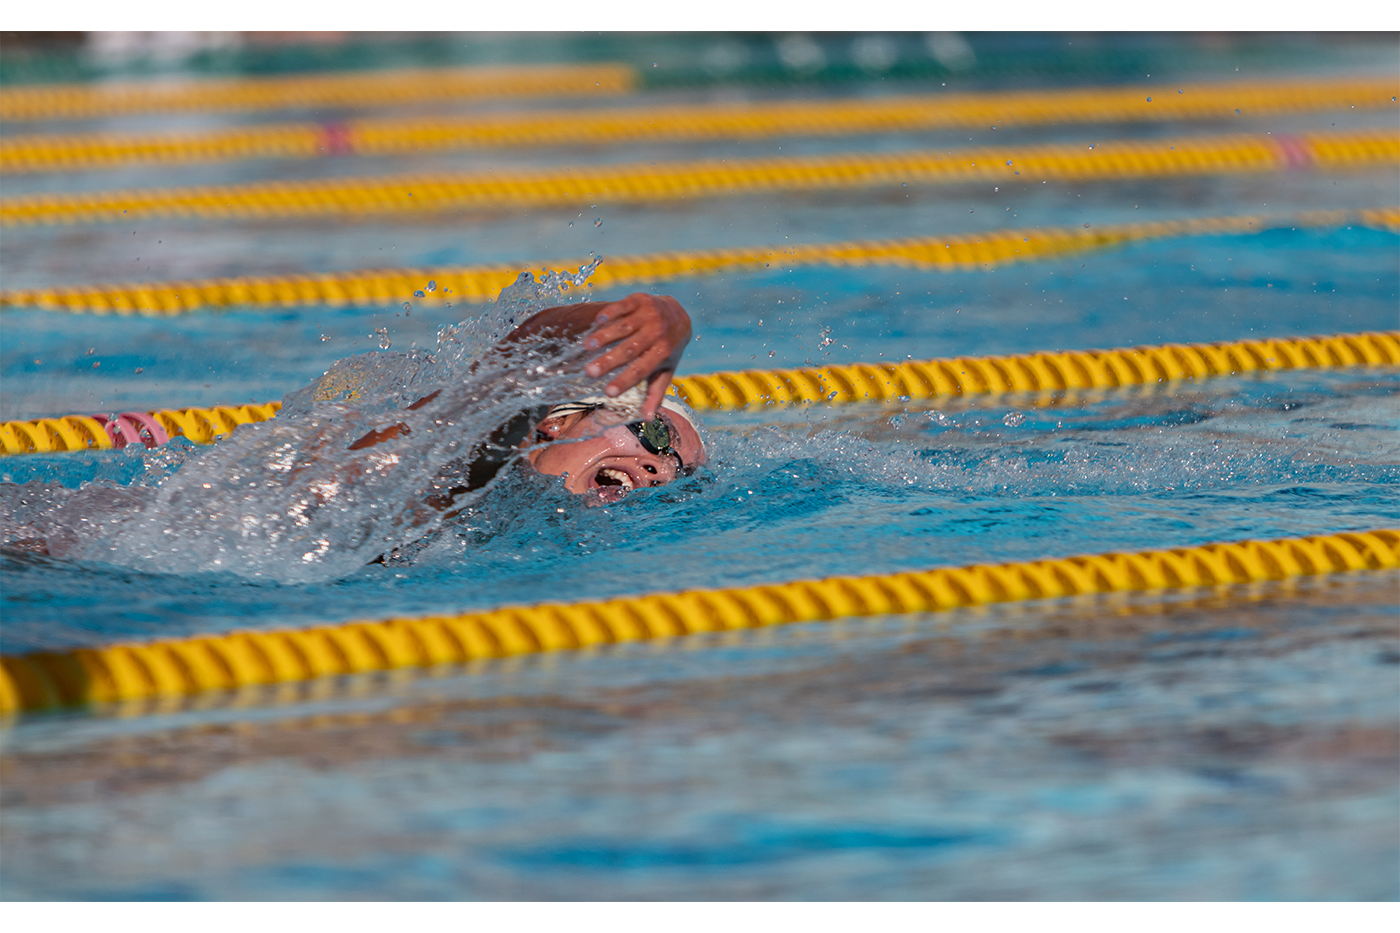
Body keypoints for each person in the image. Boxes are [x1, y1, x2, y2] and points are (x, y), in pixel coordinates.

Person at [0, 291, 708, 580]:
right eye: (651, 431)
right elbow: (519, 361)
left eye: (679, 470)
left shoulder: (492, 525)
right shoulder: (465, 451)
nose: (661, 466)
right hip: (62, 545)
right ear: (556, 420)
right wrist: (660, 321)